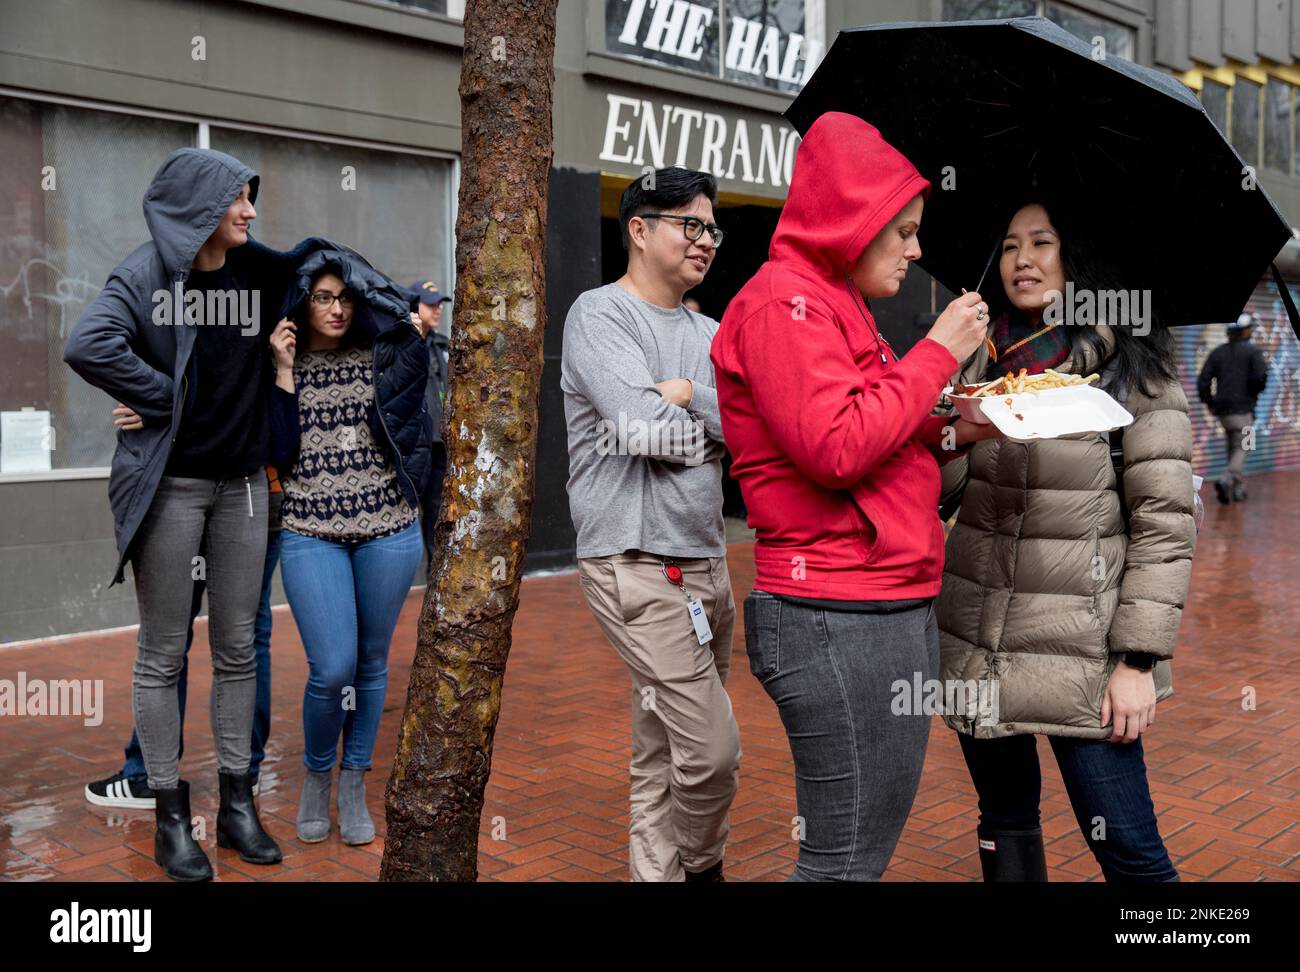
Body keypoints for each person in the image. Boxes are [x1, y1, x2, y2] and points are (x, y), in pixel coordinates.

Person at [711, 111, 997, 882]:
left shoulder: (836, 303)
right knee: (842, 866)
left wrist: (960, 429)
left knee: (855, 858)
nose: (916, 248)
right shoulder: (785, 305)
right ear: (850, 219)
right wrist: (939, 350)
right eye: (900, 229)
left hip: (873, 605)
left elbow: (877, 437)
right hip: (837, 612)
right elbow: (836, 448)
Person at [939, 198, 1195, 882]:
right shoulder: (982, 363)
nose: (1022, 260)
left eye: (1042, 243)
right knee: (1004, 827)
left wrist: (1138, 662)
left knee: (1129, 851)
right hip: (981, 641)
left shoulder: (1134, 370)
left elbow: (1165, 524)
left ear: (1077, 258)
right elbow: (948, 493)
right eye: (1011, 245)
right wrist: (949, 410)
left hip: (1085, 657)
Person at [64, 148, 291, 881]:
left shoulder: (258, 271)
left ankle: (236, 806)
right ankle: (168, 814)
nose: (250, 213)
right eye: (238, 201)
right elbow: (87, 343)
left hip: (244, 489)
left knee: (239, 651)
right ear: (201, 206)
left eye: (250, 200)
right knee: (162, 654)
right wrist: (162, 395)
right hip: (173, 488)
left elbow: (332, 280)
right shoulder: (145, 274)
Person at [561, 166, 738, 882]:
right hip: (632, 561)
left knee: (663, 749)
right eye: (689, 225)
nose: (706, 241)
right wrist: (709, 435)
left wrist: (690, 391)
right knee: (711, 749)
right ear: (639, 229)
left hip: (705, 562)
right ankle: (703, 868)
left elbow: (754, 429)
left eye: (712, 230)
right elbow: (640, 430)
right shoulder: (600, 316)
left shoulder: (713, 333)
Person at [269, 251, 431, 846]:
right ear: (303, 303)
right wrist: (284, 371)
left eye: (345, 297)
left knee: (369, 664)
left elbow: (419, 423)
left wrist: (410, 332)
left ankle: (353, 780)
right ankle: (316, 775)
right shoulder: (281, 361)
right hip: (311, 531)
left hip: (387, 528)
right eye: (322, 298)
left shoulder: (384, 354)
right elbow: (280, 453)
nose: (336, 309)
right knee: (330, 668)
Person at [84, 420, 282, 809]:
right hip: (226, 484)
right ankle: (167, 780)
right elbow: (95, 355)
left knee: (232, 642)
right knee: (177, 643)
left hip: (254, 488)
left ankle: (233, 779)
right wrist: (153, 393)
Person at [1197, 312, 1269, 504]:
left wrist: (1210, 403)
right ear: (1245, 331)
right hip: (1244, 411)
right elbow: (1260, 379)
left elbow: (1203, 380)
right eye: (1250, 328)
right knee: (1245, 447)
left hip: (1223, 413)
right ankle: (1226, 479)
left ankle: (1237, 490)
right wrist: (1252, 392)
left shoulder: (1218, 352)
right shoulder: (1253, 352)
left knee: (1234, 448)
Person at [408, 279, 452, 557]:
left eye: (439, 305)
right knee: (409, 506)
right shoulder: (402, 343)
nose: (437, 310)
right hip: (413, 443)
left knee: (437, 509)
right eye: (430, 304)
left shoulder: (443, 344)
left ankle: (435, 569)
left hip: (440, 443)